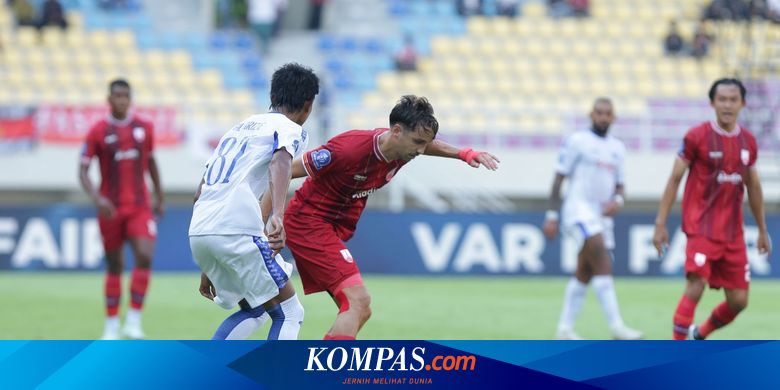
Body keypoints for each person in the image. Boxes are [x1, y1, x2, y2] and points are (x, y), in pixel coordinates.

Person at [281, 95, 500, 340]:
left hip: (330, 227)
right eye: (417, 142)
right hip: (308, 222)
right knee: (358, 301)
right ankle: (330, 374)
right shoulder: (349, 149)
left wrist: (465, 153)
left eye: (424, 144)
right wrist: (267, 214)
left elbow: (427, 145)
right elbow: (285, 171)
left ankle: (321, 368)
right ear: (396, 131)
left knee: (360, 310)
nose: (420, 150)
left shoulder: (403, 148)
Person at [189, 63, 319, 340]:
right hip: (234, 229)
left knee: (257, 308)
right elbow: (280, 162)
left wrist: (210, 261)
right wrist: (278, 217)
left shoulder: (237, 129)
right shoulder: (290, 128)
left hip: (201, 230)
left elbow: (201, 189)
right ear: (307, 105)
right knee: (289, 313)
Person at [653, 78, 772, 340]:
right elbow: (675, 178)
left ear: (743, 104)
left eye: (733, 100)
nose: (727, 105)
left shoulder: (748, 142)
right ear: (712, 103)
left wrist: (763, 229)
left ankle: (700, 334)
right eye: (722, 99)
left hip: (733, 234)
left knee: (739, 301)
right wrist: (660, 223)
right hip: (701, 229)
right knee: (696, 285)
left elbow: (753, 185)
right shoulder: (697, 136)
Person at [543, 98, 643, 340]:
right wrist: (552, 215)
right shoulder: (577, 141)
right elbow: (558, 179)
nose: (603, 117)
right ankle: (617, 327)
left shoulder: (618, 149)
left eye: (608, 113)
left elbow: (620, 186)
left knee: (585, 271)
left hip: (601, 217)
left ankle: (564, 330)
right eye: (599, 113)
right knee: (600, 255)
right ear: (591, 114)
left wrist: (617, 202)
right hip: (577, 211)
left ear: (614, 117)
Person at [79, 79, 164, 340]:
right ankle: (112, 326)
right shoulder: (98, 131)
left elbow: (151, 162)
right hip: (111, 210)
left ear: (130, 99)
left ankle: (134, 321)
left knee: (145, 255)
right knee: (114, 265)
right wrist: (98, 199)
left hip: (139, 207)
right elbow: (82, 170)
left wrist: (159, 196)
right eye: (117, 96)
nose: (122, 100)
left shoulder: (144, 128)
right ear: (109, 99)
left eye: (126, 96)